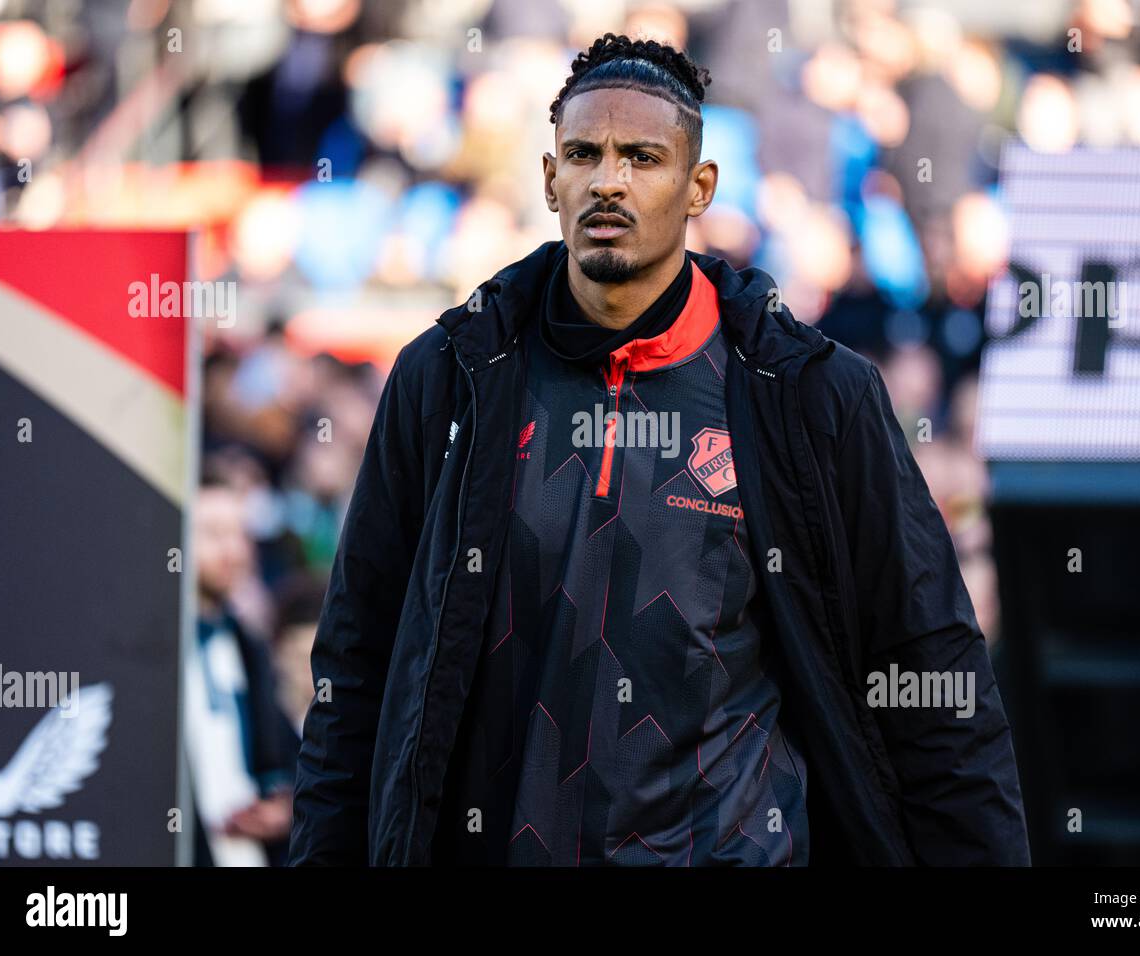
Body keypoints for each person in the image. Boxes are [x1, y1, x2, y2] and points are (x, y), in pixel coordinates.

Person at [290, 33, 1029, 866]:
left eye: (643, 156)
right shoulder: (450, 378)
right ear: (549, 179)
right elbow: (356, 665)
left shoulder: (811, 397)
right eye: (584, 154)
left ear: (698, 186)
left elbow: (928, 670)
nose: (610, 180)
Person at [188, 481, 299, 866]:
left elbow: (290, 761)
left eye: (241, 535)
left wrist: (282, 807)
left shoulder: (249, 647)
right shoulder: (146, 654)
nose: (235, 551)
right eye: (215, 534)